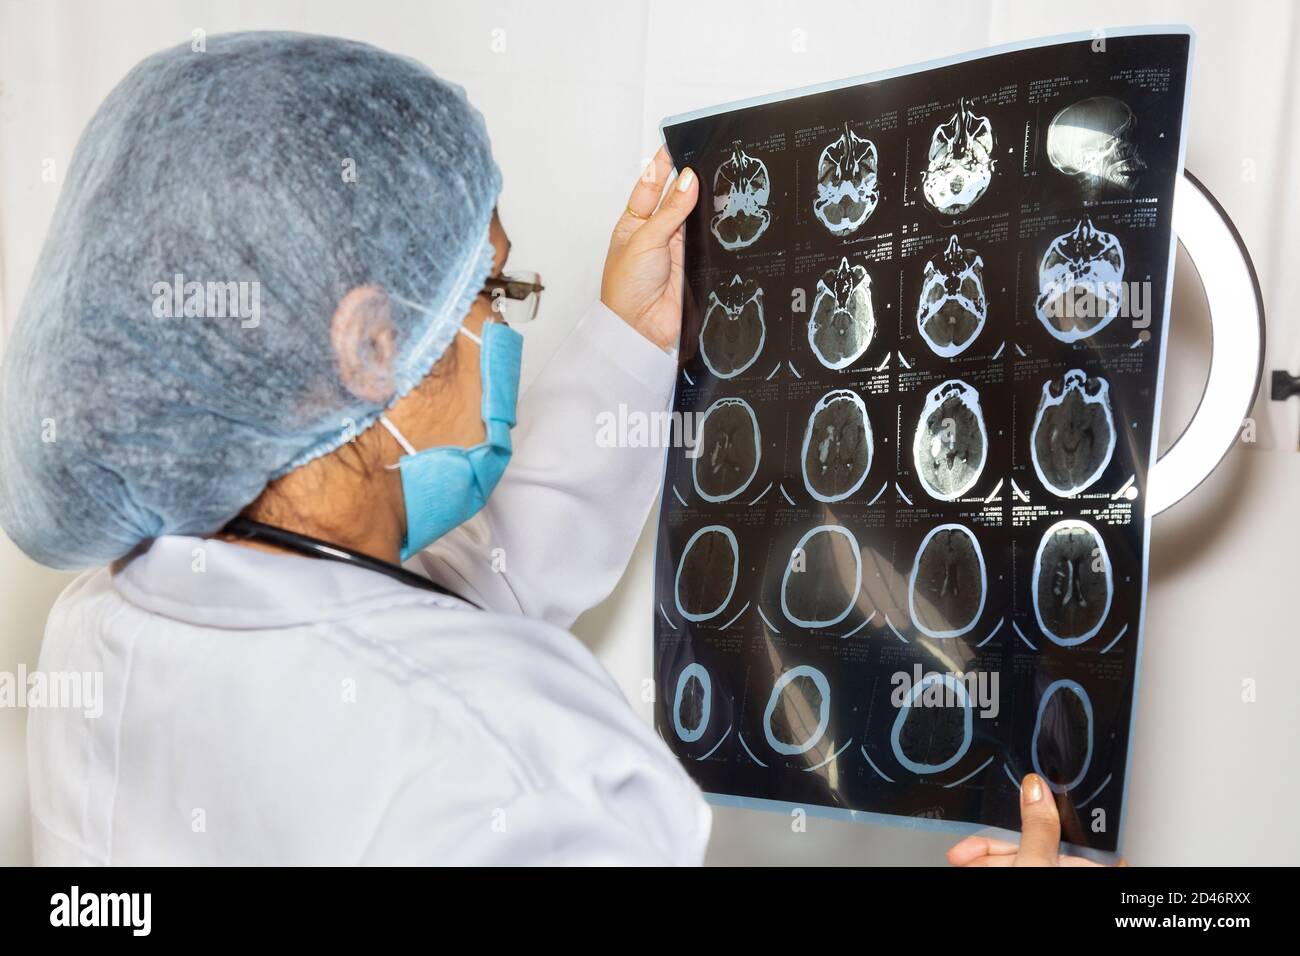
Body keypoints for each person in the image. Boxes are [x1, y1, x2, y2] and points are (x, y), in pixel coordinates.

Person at [0, 32, 1104, 866]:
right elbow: (435, 668)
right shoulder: (508, 768)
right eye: (484, 287)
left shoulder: (112, 625)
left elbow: (445, 592)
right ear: (369, 344)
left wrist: (628, 343)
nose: (495, 323)